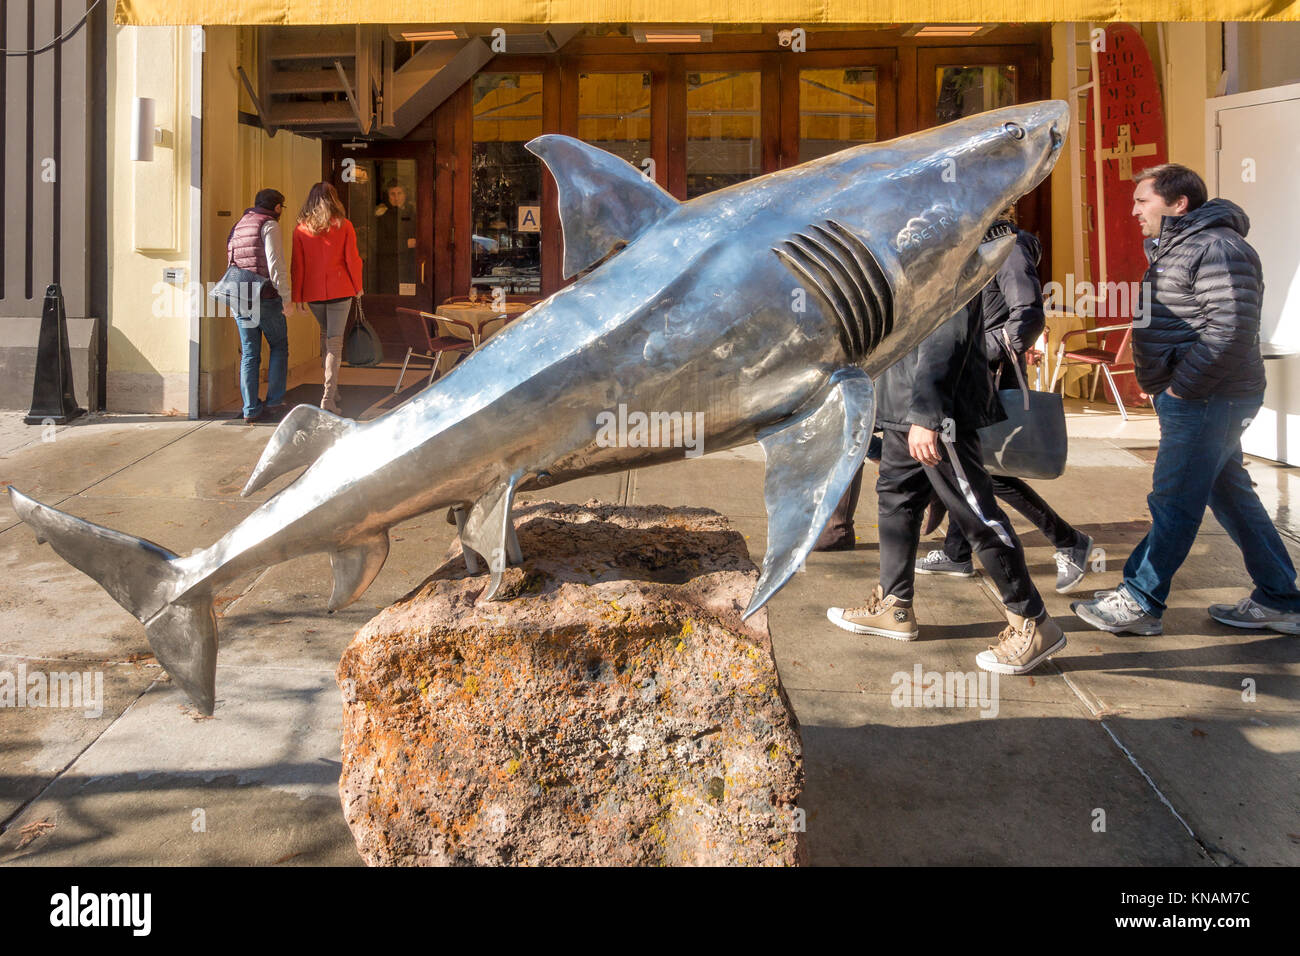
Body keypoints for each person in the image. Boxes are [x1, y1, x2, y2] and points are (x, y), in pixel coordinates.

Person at [1073, 164, 1300, 636]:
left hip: (1207, 399)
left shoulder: (1217, 247)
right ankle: (1281, 597)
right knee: (1232, 498)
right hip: (1203, 397)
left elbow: (1230, 330)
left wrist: (1181, 389)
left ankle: (1140, 600)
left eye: (1142, 201)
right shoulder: (1184, 246)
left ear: (1179, 205)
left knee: (1174, 499)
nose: (1133, 210)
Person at [825, 245, 1067, 676]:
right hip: (901, 403)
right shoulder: (904, 247)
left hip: (935, 410)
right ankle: (894, 605)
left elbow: (945, 335)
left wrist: (928, 415)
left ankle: (1032, 621)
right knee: (896, 501)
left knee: (975, 513)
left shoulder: (948, 249)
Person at [916, 210, 1093, 593]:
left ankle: (1069, 541)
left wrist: (980, 350)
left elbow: (1028, 317)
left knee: (988, 471)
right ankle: (957, 552)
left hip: (989, 375)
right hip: (972, 375)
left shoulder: (1009, 250)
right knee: (975, 466)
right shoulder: (981, 248)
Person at [292, 182, 364, 416]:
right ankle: (328, 397)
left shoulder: (301, 229)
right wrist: (358, 286)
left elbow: (298, 266)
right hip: (341, 289)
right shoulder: (344, 226)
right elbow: (352, 259)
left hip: (313, 293)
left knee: (326, 337)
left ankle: (332, 389)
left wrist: (298, 296)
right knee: (334, 342)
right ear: (334, 200)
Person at [227, 188, 291, 424]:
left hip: (239, 296)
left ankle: (250, 409)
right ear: (276, 207)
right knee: (279, 346)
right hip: (264, 297)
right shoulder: (269, 225)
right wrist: (286, 297)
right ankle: (275, 402)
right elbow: (275, 265)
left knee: (250, 353)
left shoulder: (240, 224)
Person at [374, 181, 417, 295]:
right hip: (390, 269)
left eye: (399, 193)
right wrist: (405, 244)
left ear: (405, 194)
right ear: (388, 196)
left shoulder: (414, 212)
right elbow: (380, 245)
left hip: (410, 266)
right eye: (392, 194)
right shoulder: (382, 216)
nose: (396, 197)